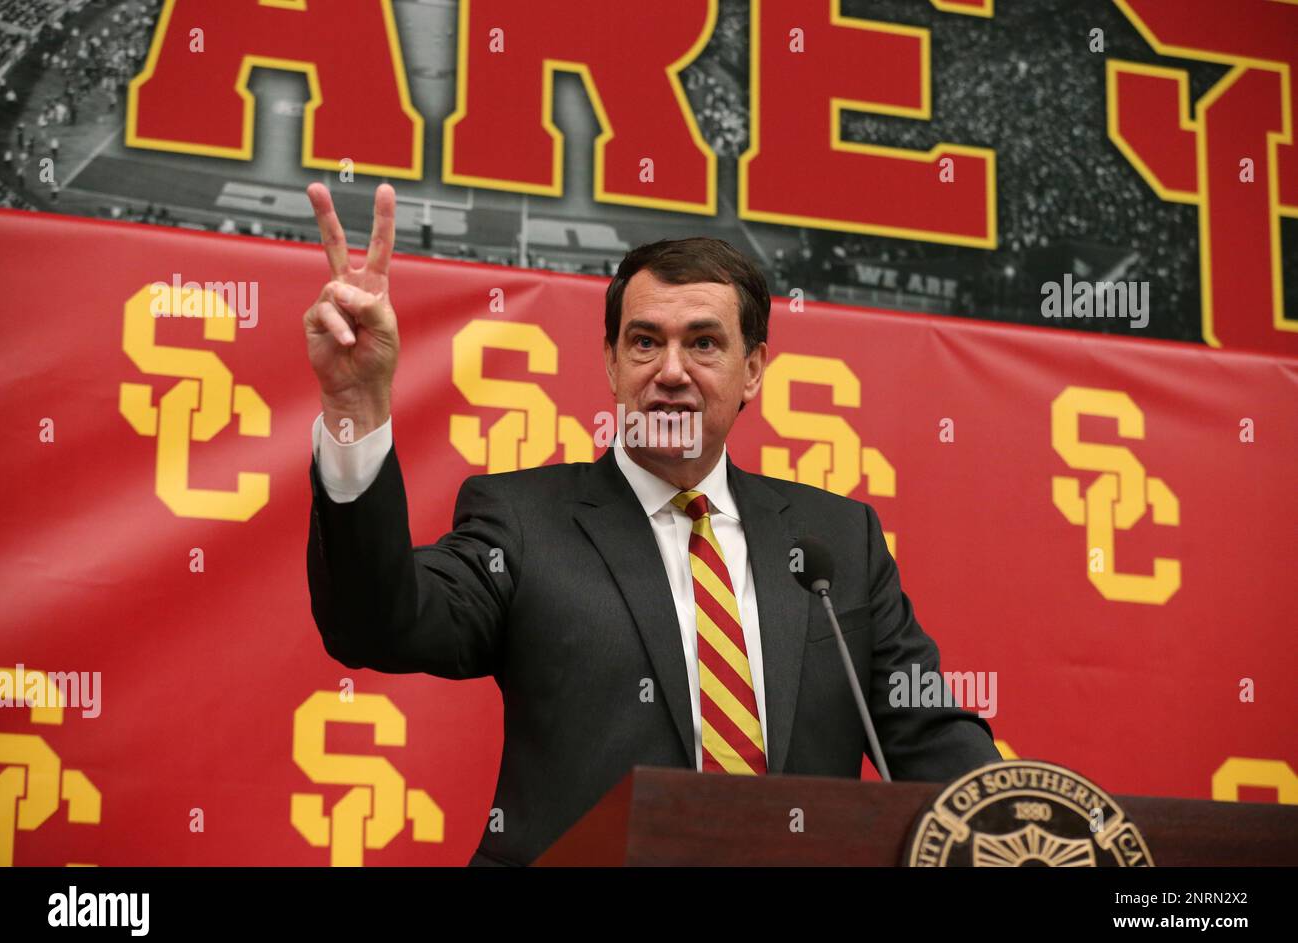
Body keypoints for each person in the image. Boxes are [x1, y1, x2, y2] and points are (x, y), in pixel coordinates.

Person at [303, 183, 1000, 866]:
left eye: (703, 343)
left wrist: (1035, 823)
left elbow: (930, 735)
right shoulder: (522, 521)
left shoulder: (837, 541)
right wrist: (357, 403)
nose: (671, 371)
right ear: (610, 361)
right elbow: (380, 621)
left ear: (752, 368)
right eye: (644, 342)